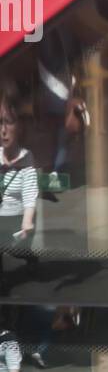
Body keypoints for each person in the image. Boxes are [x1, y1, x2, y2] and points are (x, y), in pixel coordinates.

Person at [0, 91, 39, 290]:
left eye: (8, 122)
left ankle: (30, 258)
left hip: (16, 218)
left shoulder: (26, 159)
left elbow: (30, 193)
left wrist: (27, 219)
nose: (3, 130)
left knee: (17, 250)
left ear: (20, 126)